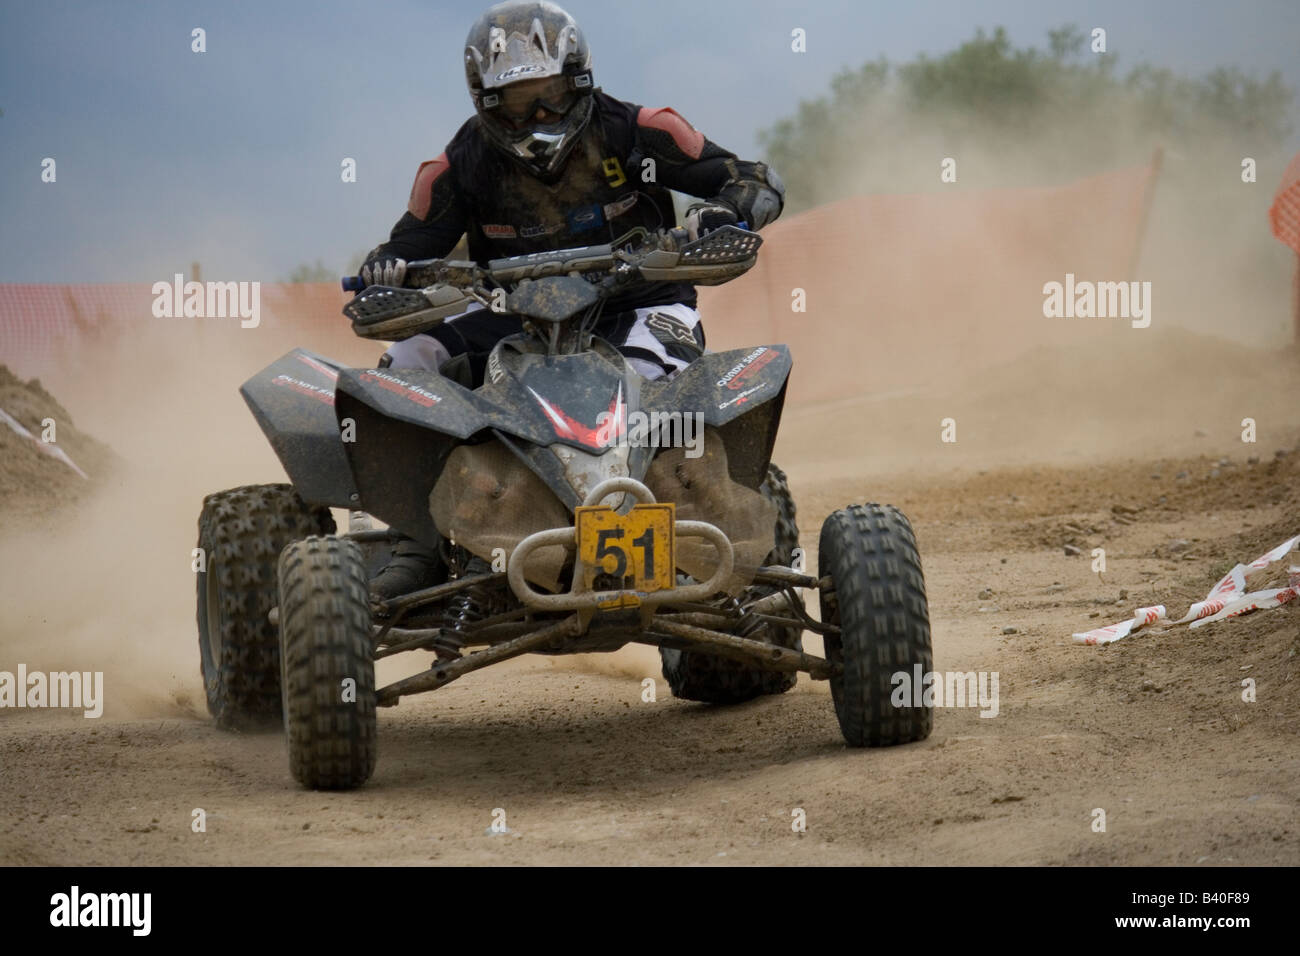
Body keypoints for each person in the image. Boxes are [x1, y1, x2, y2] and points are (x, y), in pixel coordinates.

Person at [362, 0, 785, 600]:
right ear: (485, 102)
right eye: (516, 101)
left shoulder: (640, 129)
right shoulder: (458, 166)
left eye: (550, 93)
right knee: (407, 364)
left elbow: (755, 179)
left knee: (650, 392)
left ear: (579, 79)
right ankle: (419, 542)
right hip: (514, 317)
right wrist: (387, 270)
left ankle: (704, 523)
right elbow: (404, 252)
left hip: (639, 303)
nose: (536, 112)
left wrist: (725, 210)